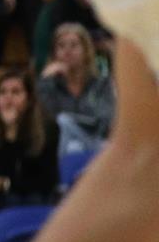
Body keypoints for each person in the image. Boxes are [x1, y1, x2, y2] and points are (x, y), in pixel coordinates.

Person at [0, 71, 59, 206]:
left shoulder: (48, 129)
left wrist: (5, 183)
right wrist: (7, 134)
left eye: (16, 92)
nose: (8, 98)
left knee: (25, 199)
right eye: (2, 92)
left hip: (34, 195)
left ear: (29, 99)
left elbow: (46, 181)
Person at [41, 21, 116, 156]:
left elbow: (106, 121)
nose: (67, 51)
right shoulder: (49, 86)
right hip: (61, 147)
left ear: (86, 51)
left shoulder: (101, 84)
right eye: (61, 46)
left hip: (96, 144)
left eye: (74, 45)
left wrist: (70, 123)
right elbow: (45, 125)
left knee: (65, 123)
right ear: (54, 53)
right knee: (72, 146)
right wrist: (44, 81)